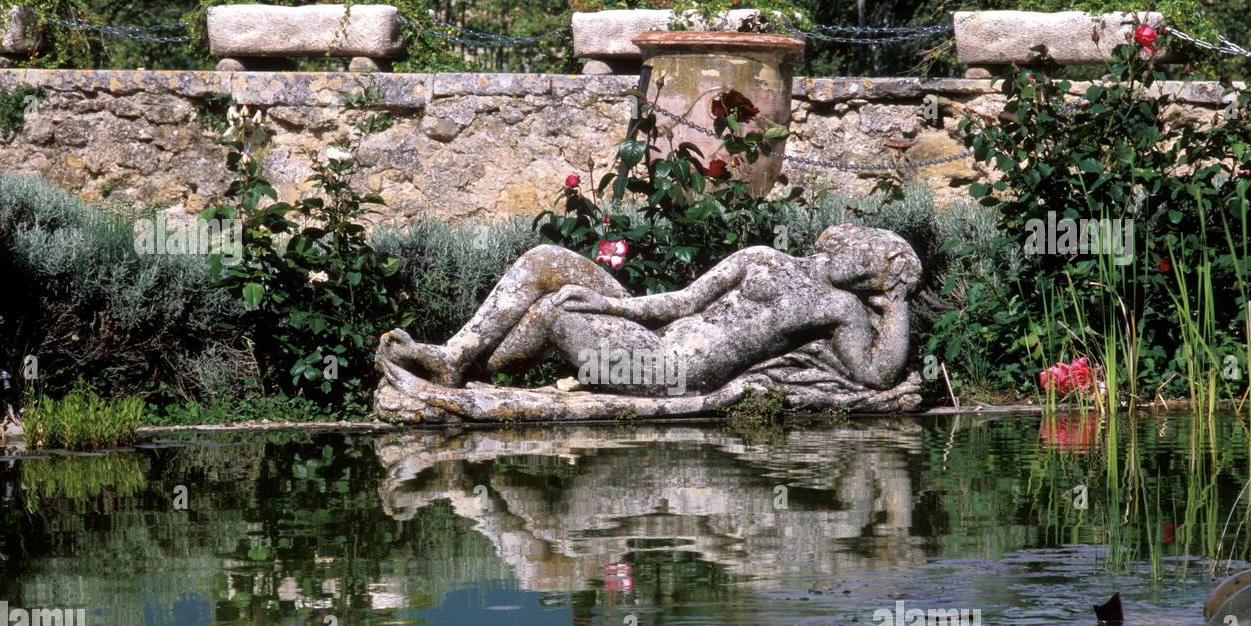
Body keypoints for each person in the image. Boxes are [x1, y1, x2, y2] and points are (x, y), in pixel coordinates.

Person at [380, 224, 921, 397]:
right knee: (547, 260)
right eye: (882, 253)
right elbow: (684, 300)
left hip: (672, 371)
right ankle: (457, 355)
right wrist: (612, 303)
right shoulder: (763, 256)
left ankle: (467, 373)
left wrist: (896, 304)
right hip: (656, 336)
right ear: (853, 238)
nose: (878, 266)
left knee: (556, 314)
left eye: (888, 271)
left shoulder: (840, 308)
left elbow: (875, 375)